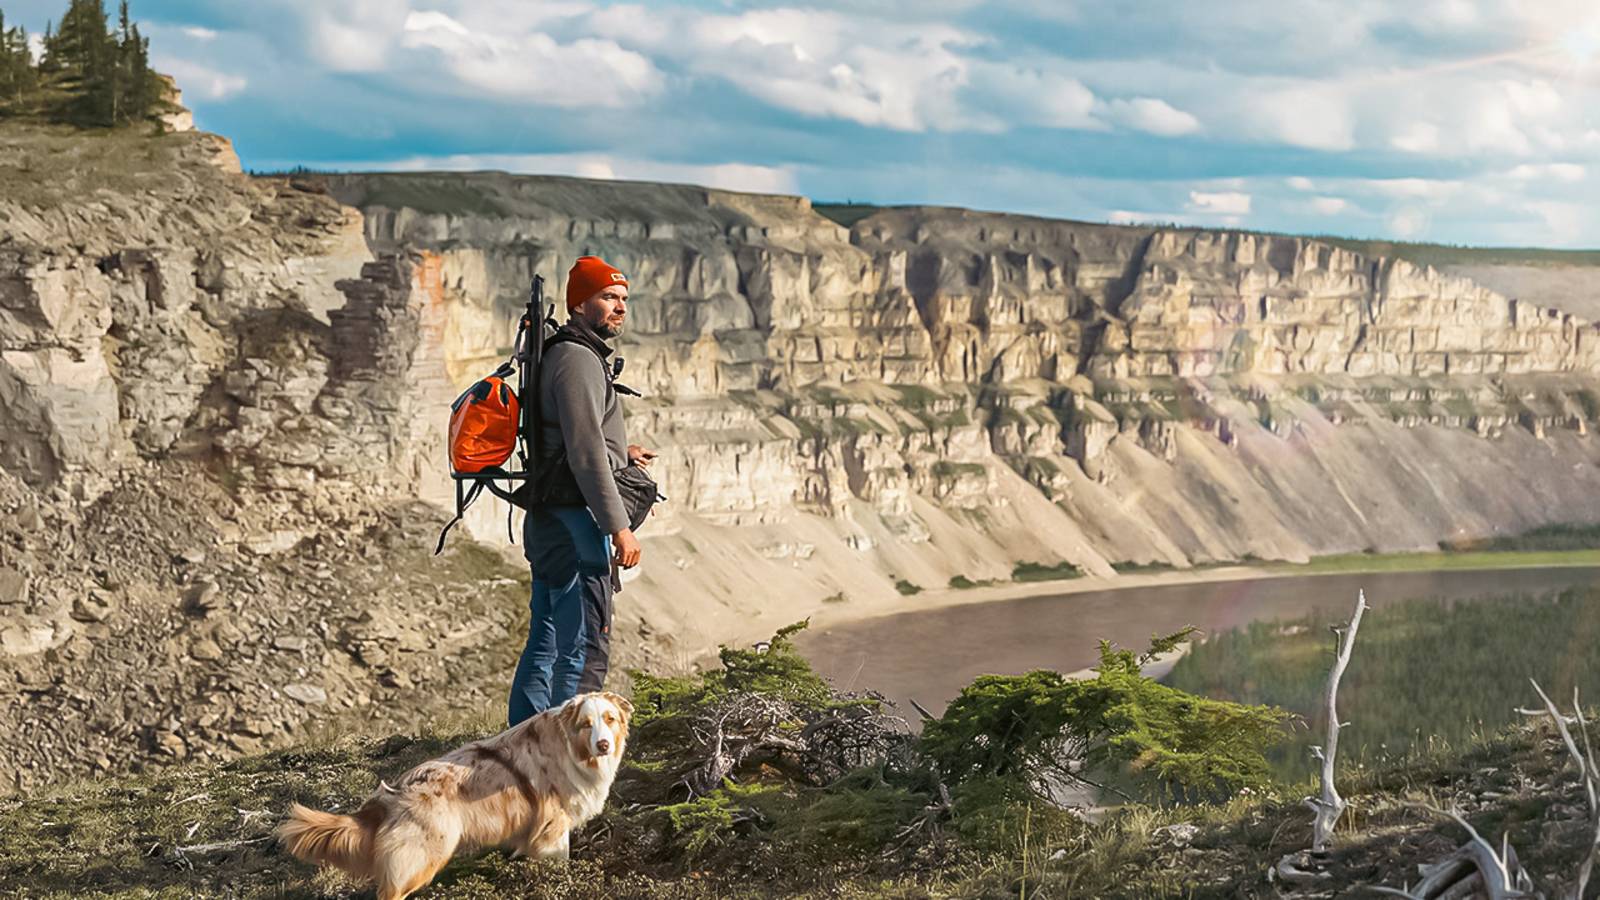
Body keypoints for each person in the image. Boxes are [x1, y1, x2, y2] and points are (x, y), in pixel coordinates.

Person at [508, 255, 656, 727]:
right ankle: (569, 750)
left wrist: (621, 452)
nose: (620, 307)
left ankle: (525, 740)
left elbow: (576, 437)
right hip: (575, 523)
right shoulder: (577, 359)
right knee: (583, 645)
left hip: (551, 513)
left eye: (624, 298)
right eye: (608, 297)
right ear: (578, 304)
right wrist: (619, 528)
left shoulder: (565, 353)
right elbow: (587, 454)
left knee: (548, 640)